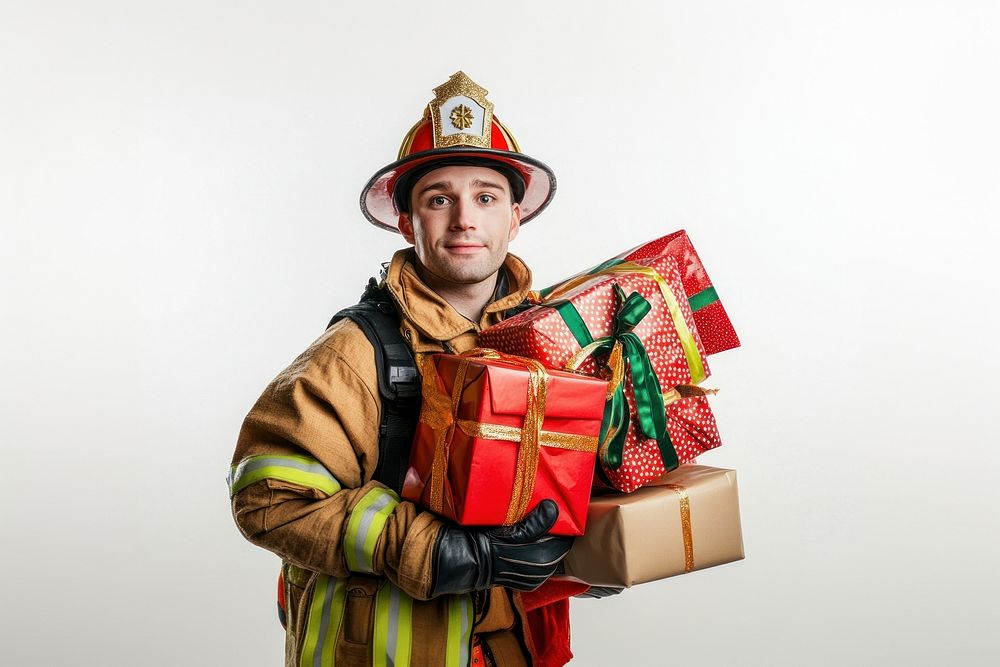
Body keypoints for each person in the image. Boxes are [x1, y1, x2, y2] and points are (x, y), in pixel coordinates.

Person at [228, 71, 576, 667]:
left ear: (515, 218)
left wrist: (595, 545)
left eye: (486, 198)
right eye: (439, 198)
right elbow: (267, 497)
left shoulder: (551, 347)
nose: (465, 218)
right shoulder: (355, 354)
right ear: (406, 222)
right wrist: (429, 549)